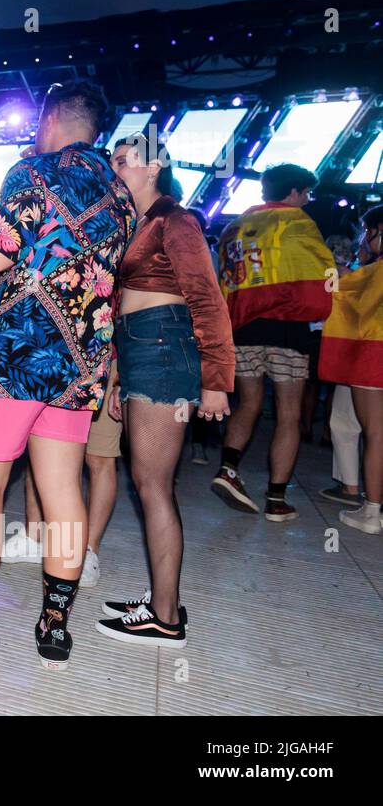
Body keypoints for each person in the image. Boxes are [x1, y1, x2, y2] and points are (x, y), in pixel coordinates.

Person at [0, 81, 136, 670]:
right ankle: (54, 627)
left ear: (49, 119)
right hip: (80, 365)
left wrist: (0, 218)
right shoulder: (122, 196)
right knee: (64, 491)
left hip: (13, 358)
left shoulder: (34, 172)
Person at [96, 135, 234, 647]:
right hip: (138, 349)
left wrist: (216, 382)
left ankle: (165, 617)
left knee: (153, 484)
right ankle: (161, 599)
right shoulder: (134, 223)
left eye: (123, 158)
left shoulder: (175, 220)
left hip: (164, 344)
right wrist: (115, 375)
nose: (114, 165)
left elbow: (207, 299)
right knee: (147, 480)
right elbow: (117, 307)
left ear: (154, 166)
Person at [211, 164, 331, 523]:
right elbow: (323, 273)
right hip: (287, 328)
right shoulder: (296, 222)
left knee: (247, 402)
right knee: (289, 413)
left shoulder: (235, 227)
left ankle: (228, 469)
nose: (307, 200)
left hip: (244, 327)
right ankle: (276, 500)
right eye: (306, 193)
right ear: (293, 193)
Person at [329, 205, 383, 534]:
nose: (364, 239)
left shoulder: (372, 273)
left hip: (374, 355)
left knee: (376, 435)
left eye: (367, 232)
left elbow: (338, 287)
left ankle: (372, 511)